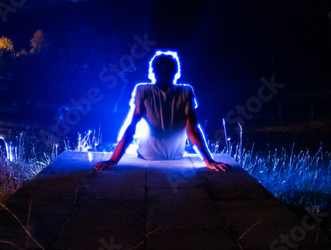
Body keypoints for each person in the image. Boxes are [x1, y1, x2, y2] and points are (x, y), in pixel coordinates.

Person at [94, 50, 230, 171]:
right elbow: (192, 129)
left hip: (152, 155)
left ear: (153, 71)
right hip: (166, 155)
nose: (164, 73)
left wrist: (209, 161)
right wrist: (113, 160)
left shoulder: (174, 91)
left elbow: (132, 127)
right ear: (175, 71)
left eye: (166, 70)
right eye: (162, 70)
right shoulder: (150, 91)